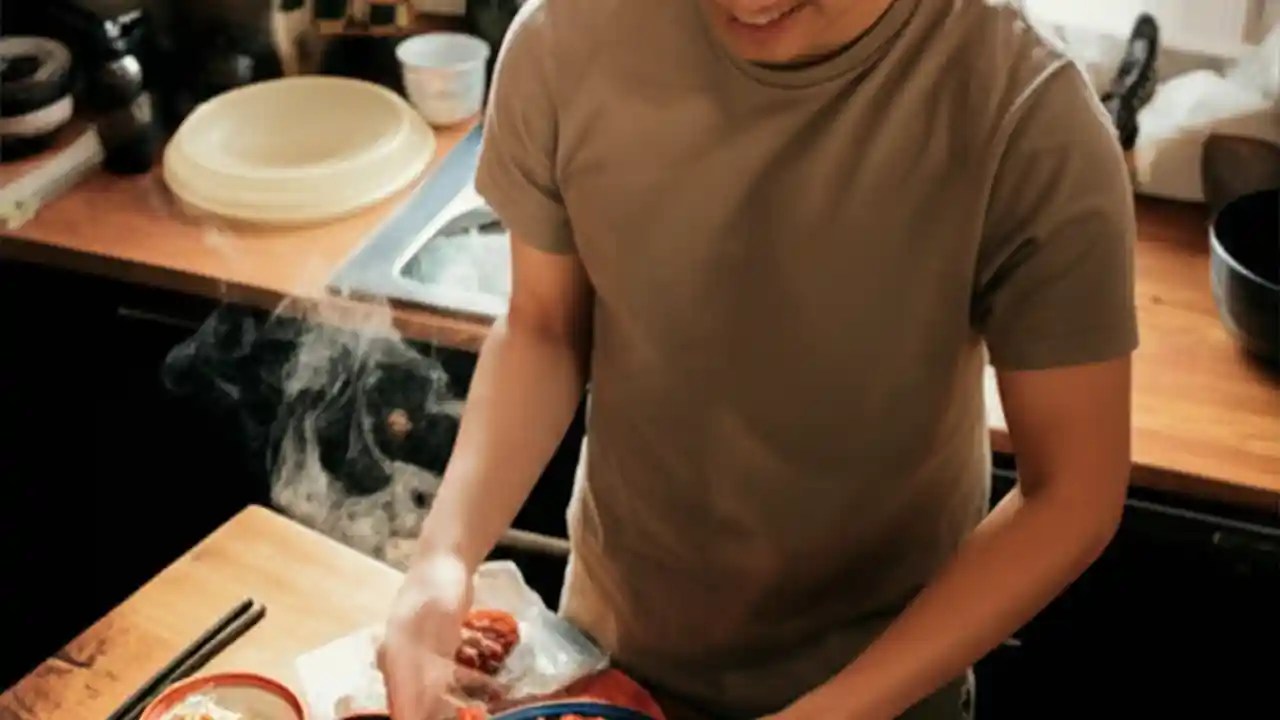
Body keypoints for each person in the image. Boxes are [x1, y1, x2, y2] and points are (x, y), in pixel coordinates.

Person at [379, 0, 1139, 718]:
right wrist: (444, 557)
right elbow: (545, 326)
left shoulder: (1027, 115)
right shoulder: (569, 36)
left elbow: (1071, 494)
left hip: (876, 690)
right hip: (608, 658)